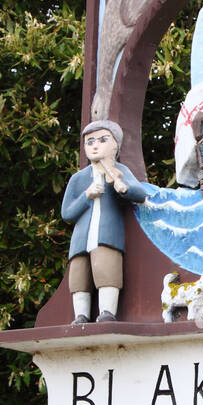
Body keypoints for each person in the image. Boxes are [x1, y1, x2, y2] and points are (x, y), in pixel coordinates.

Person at [61, 120, 147, 324]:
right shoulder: (79, 179)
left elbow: (140, 193)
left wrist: (124, 188)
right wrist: (86, 196)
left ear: (115, 145)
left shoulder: (120, 170)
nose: (95, 145)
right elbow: (67, 213)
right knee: (79, 277)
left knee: (107, 272)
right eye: (90, 142)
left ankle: (107, 312)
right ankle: (80, 315)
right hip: (81, 238)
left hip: (107, 235)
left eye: (102, 140)